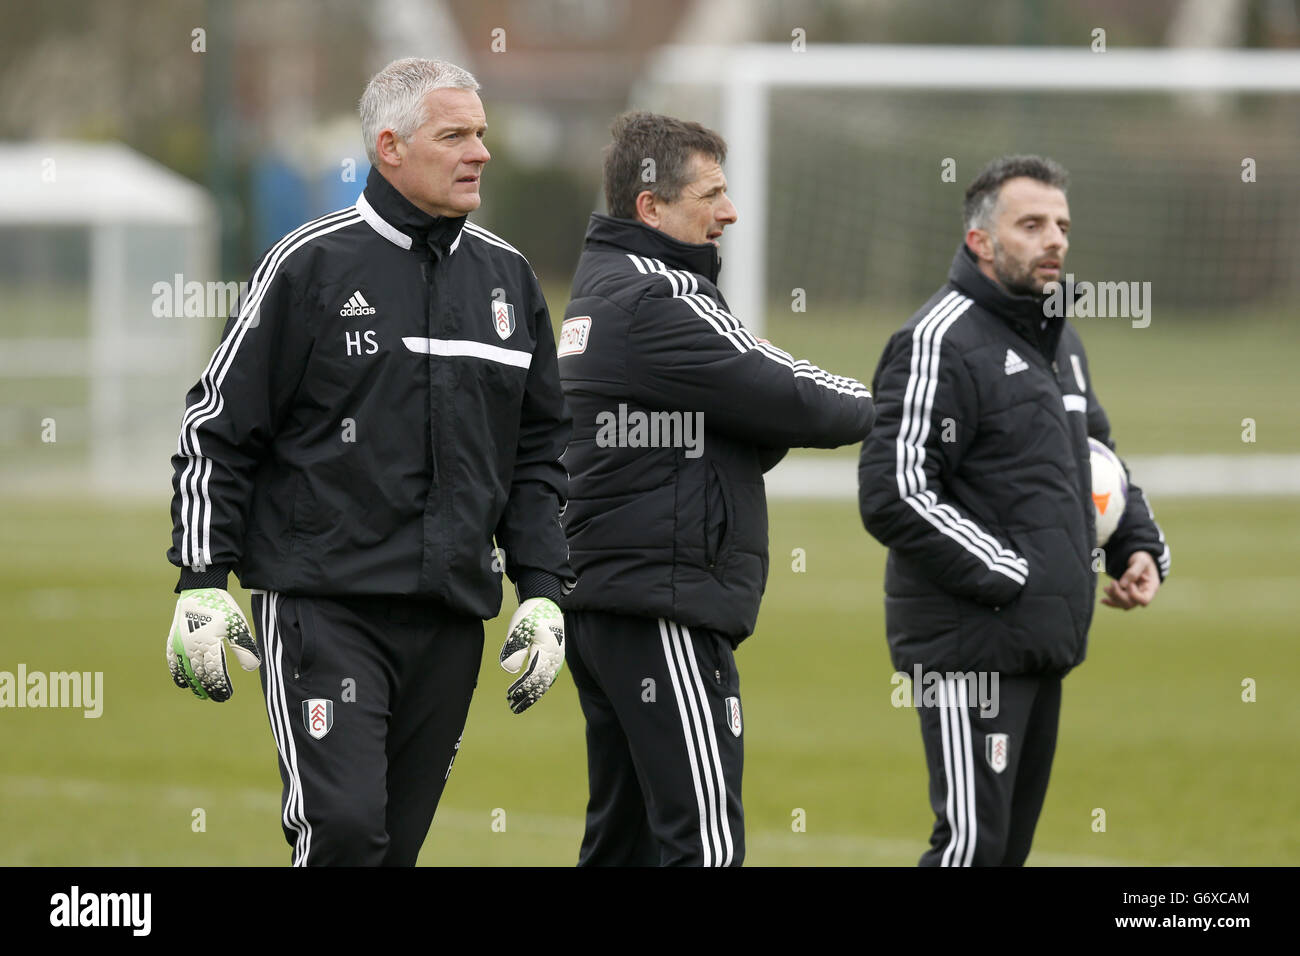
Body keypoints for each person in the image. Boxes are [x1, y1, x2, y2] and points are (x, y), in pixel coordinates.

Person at [164, 57, 574, 866]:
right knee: (345, 833)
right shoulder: (306, 266)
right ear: (390, 146)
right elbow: (218, 427)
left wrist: (543, 591)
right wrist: (201, 582)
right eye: (455, 135)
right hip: (326, 608)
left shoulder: (509, 279)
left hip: (452, 617)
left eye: (482, 135)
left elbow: (537, 454)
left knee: (393, 850)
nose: (480, 153)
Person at [557, 111, 875, 866]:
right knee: (702, 841)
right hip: (661, 601)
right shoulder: (660, 296)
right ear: (651, 206)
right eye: (713, 194)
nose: (730, 211)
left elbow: (738, 420)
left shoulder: (604, 289)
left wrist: (752, 417)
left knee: (624, 842)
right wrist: (898, 407)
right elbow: (790, 392)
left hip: (612, 600)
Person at [858, 155, 1170, 867]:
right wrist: (1009, 572)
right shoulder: (937, 340)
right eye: (1031, 224)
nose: (1054, 239)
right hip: (969, 645)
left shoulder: (1061, 340)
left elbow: (1097, 461)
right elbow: (894, 490)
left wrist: (1134, 548)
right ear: (980, 242)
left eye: (1061, 224)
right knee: (972, 846)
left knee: (1003, 852)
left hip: (1039, 638)